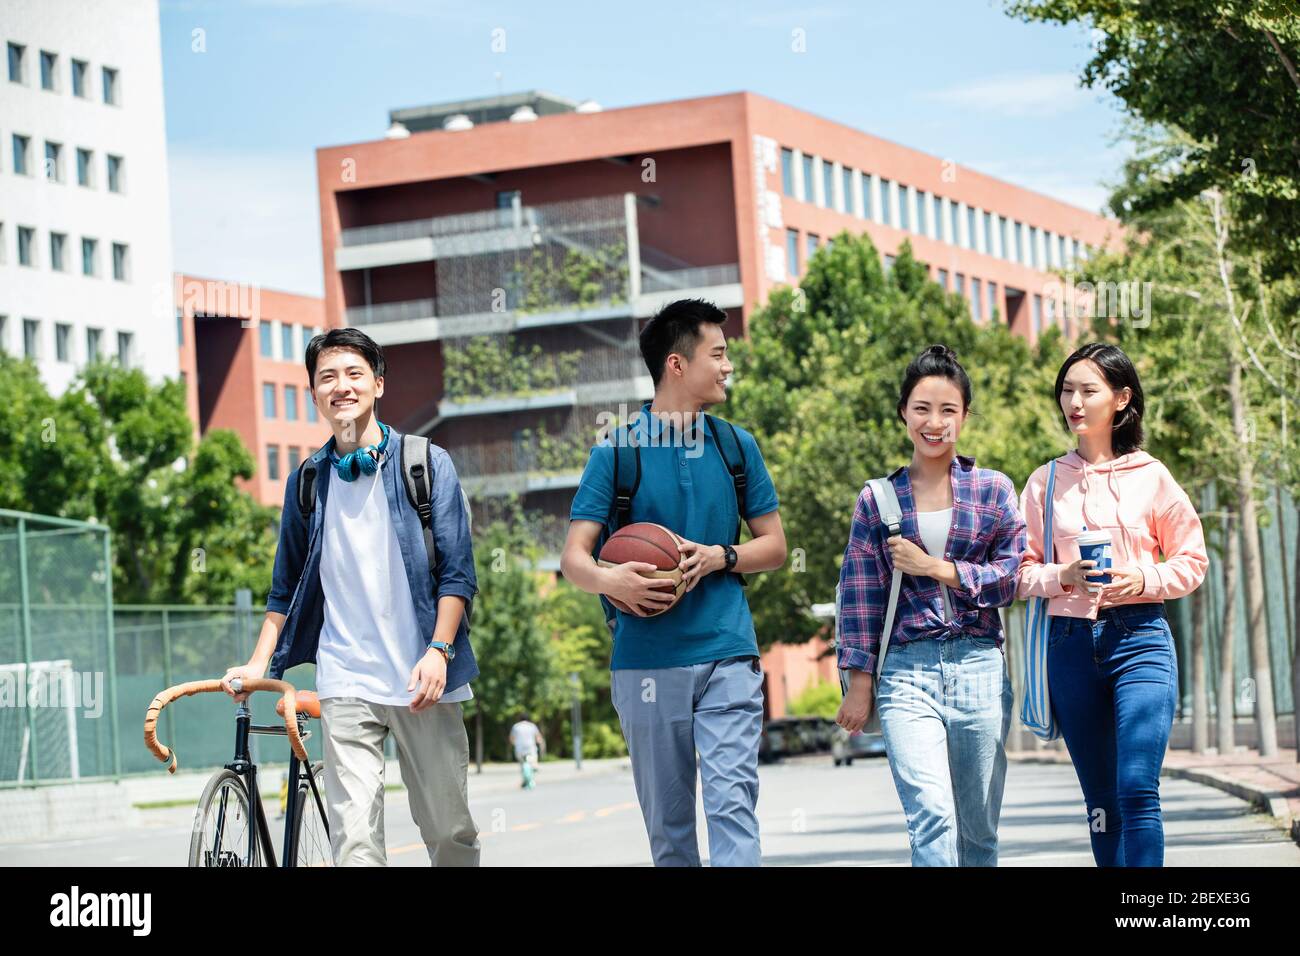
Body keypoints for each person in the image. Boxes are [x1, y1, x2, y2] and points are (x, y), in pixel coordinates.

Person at [221, 327, 481, 867]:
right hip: (346, 681)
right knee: (355, 839)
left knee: (448, 830)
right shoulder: (307, 482)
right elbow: (284, 589)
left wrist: (440, 651)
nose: (341, 386)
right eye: (327, 378)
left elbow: (457, 576)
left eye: (354, 374)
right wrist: (255, 663)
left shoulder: (426, 465)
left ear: (379, 384)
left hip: (423, 680)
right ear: (314, 393)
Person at [560, 298, 787, 867]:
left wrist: (721, 556)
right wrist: (617, 582)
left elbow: (776, 547)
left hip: (727, 652)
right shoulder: (616, 450)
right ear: (677, 364)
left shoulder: (737, 447)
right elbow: (573, 560)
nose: (728, 365)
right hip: (645, 663)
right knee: (671, 830)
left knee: (732, 804)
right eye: (719, 353)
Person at [1017, 342, 1207, 867]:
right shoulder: (1043, 482)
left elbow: (1192, 560)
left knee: (1136, 788)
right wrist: (1063, 574)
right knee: (1100, 801)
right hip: (1070, 645)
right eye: (1066, 390)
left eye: (1088, 390)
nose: (1073, 401)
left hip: (1140, 637)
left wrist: (1142, 577)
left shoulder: (1152, 475)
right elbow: (1019, 571)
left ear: (1121, 399)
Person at [836, 345, 1026, 866]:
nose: (934, 422)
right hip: (906, 672)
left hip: (980, 667)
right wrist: (859, 682)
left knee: (978, 829)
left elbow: (1012, 577)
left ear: (964, 416)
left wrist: (939, 568)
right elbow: (860, 594)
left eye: (948, 410)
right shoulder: (877, 499)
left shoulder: (993, 490)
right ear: (903, 413)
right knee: (932, 814)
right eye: (921, 408)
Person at [509, 713, 545, 789]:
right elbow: (538, 738)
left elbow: (511, 738)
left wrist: (514, 744)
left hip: (520, 749)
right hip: (530, 748)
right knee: (532, 762)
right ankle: (534, 767)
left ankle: (525, 780)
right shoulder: (532, 726)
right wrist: (540, 742)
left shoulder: (516, 726)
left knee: (522, 764)